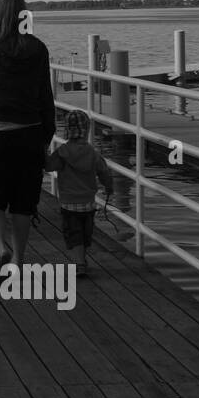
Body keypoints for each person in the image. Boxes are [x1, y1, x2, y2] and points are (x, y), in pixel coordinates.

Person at [0, 0, 56, 268]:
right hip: (31, 132)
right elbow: (45, 95)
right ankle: (19, 259)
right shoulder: (38, 48)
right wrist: (47, 135)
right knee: (24, 201)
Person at [44, 109, 111, 274]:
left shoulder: (62, 153)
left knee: (73, 234)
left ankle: (80, 263)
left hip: (68, 204)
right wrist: (109, 187)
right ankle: (82, 260)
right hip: (88, 204)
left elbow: (49, 166)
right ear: (87, 131)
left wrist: (43, 152)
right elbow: (104, 173)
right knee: (85, 233)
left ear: (67, 130)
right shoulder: (93, 154)